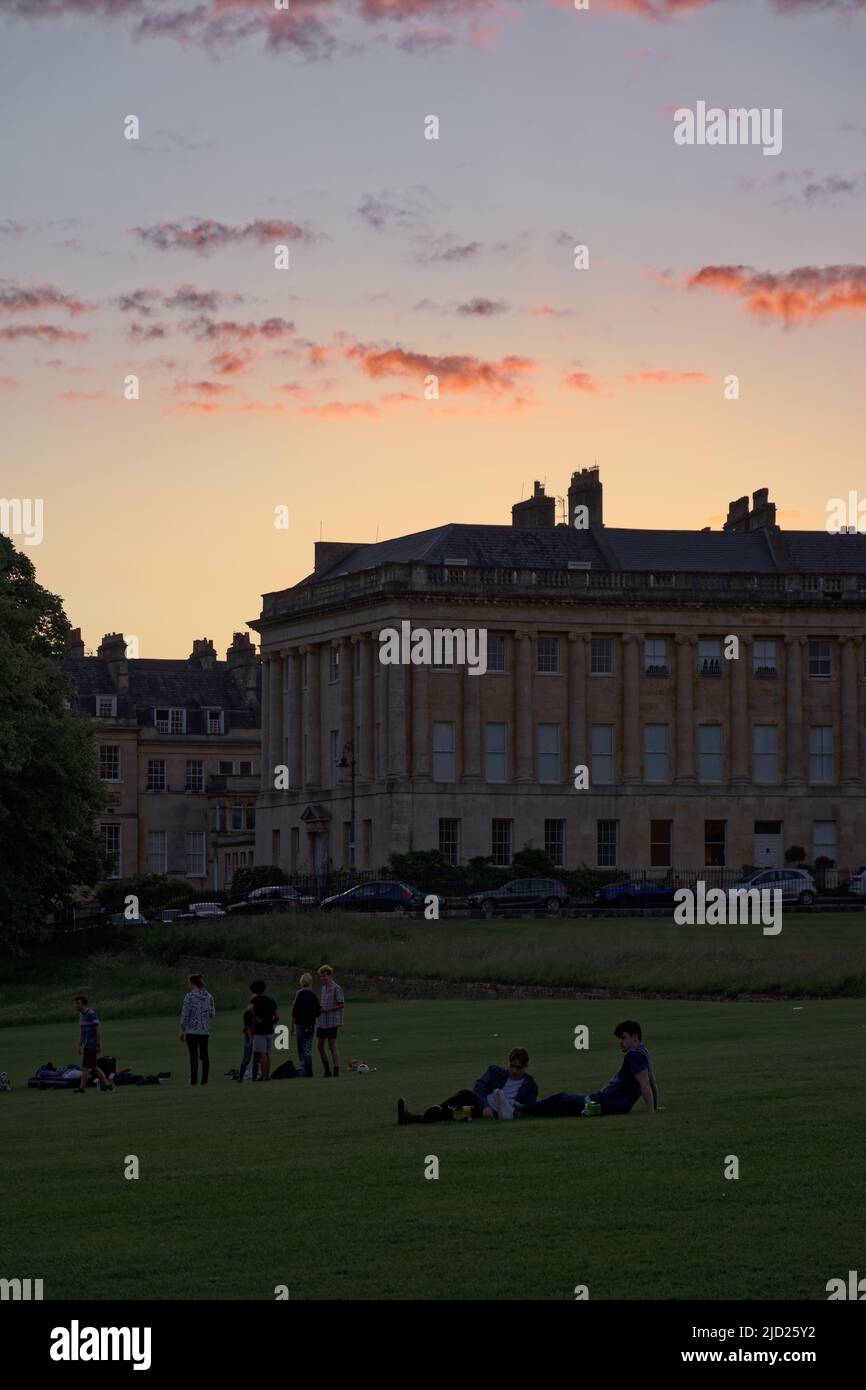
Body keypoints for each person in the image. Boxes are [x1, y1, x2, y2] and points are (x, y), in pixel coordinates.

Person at [507, 1020, 657, 1120]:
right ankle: (522, 1111)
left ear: (635, 1036)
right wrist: (654, 1107)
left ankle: (521, 1109)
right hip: (608, 1102)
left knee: (560, 1100)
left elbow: (645, 1084)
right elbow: (651, 1082)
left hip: (604, 1103)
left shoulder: (634, 1054)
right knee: (563, 1107)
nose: (620, 1042)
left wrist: (651, 1111)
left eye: (623, 1038)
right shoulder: (644, 1052)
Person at [397, 1047, 537, 1124]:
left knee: (455, 1112)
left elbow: (528, 1107)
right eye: (511, 1066)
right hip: (481, 1104)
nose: (513, 1070)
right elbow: (479, 1086)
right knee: (464, 1095)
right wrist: (485, 1106)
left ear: (525, 1067)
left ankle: (413, 1118)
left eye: (518, 1068)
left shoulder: (530, 1085)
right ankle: (437, 1110)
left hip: (496, 1112)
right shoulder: (495, 1071)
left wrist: (500, 1112)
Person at [179, 974, 215, 1086]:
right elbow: (212, 1014)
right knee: (205, 1056)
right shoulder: (209, 996)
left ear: (193, 983)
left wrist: (182, 1030)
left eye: (189, 983)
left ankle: (194, 1080)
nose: (188, 985)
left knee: (193, 1056)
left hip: (191, 1031)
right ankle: (204, 1080)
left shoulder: (189, 996)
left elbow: (185, 1015)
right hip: (204, 1031)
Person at [73, 996, 114, 1094]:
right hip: (87, 1045)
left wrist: (98, 1044)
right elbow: (82, 1033)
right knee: (94, 1067)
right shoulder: (81, 1015)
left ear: (84, 1004)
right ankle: (108, 1085)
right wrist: (79, 1045)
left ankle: (81, 1088)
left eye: (78, 1003)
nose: (76, 1005)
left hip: (91, 1045)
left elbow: (97, 1030)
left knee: (85, 1067)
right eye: (75, 1003)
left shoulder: (91, 1014)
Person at [291, 973, 321, 1078]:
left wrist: (291, 1028)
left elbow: (294, 1012)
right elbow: (318, 1011)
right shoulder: (313, 995)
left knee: (301, 1048)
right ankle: (309, 1071)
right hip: (310, 1024)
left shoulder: (299, 994)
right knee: (307, 1047)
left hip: (299, 1024)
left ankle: (304, 1070)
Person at [316, 965, 344, 1078]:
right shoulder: (323, 989)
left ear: (329, 975)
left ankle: (336, 1070)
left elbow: (341, 1004)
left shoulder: (336, 988)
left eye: (324, 976)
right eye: (320, 977)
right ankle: (326, 1070)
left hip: (332, 1021)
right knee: (319, 1046)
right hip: (322, 1021)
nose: (322, 979)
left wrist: (328, 1010)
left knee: (332, 1046)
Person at [250, 979, 279, 1081]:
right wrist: (270, 1023)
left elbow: (249, 1011)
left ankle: (264, 1076)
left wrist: (256, 1018)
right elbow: (277, 1017)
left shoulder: (254, 1001)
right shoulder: (271, 1001)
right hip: (269, 1030)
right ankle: (267, 1075)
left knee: (262, 1054)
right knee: (267, 1054)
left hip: (259, 1032)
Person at [237, 998, 260, 1083]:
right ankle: (240, 1077)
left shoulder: (259, 1012)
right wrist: (250, 1039)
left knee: (256, 1058)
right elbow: (247, 1028)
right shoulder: (247, 1014)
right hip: (249, 1036)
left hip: (258, 1036)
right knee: (246, 1058)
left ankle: (254, 1078)